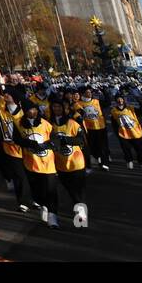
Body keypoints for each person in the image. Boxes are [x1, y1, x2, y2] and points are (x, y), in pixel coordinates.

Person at [14, 100, 60, 228]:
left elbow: (54, 138)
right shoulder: (19, 124)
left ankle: (52, 216)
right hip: (31, 164)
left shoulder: (45, 123)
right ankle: (43, 205)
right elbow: (16, 139)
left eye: (34, 109)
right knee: (37, 191)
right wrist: (30, 144)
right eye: (29, 110)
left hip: (48, 163)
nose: (32, 112)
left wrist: (50, 145)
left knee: (51, 190)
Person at [50, 97, 88, 228]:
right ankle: (79, 208)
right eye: (54, 106)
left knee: (78, 190)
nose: (57, 109)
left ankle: (81, 215)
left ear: (64, 108)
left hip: (76, 163)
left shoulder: (72, 123)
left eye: (59, 106)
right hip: (60, 164)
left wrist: (66, 140)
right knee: (70, 190)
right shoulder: (49, 125)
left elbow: (81, 140)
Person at [76, 86, 110, 170]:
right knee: (92, 146)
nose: (90, 93)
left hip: (100, 127)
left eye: (90, 92)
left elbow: (108, 102)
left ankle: (104, 163)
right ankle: (95, 158)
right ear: (83, 93)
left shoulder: (97, 101)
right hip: (88, 129)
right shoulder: (79, 104)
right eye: (87, 92)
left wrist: (104, 91)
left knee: (103, 146)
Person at [111, 95, 142, 170]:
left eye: (121, 99)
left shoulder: (131, 108)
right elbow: (114, 124)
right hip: (124, 134)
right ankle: (129, 162)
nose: (120, 101)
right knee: (126, 150)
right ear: (116, 101)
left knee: (139, 150)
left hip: (135, 133)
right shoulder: (113, 111)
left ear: (124, 100)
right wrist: (117, 134)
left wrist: (140, 103)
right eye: (118, 99)